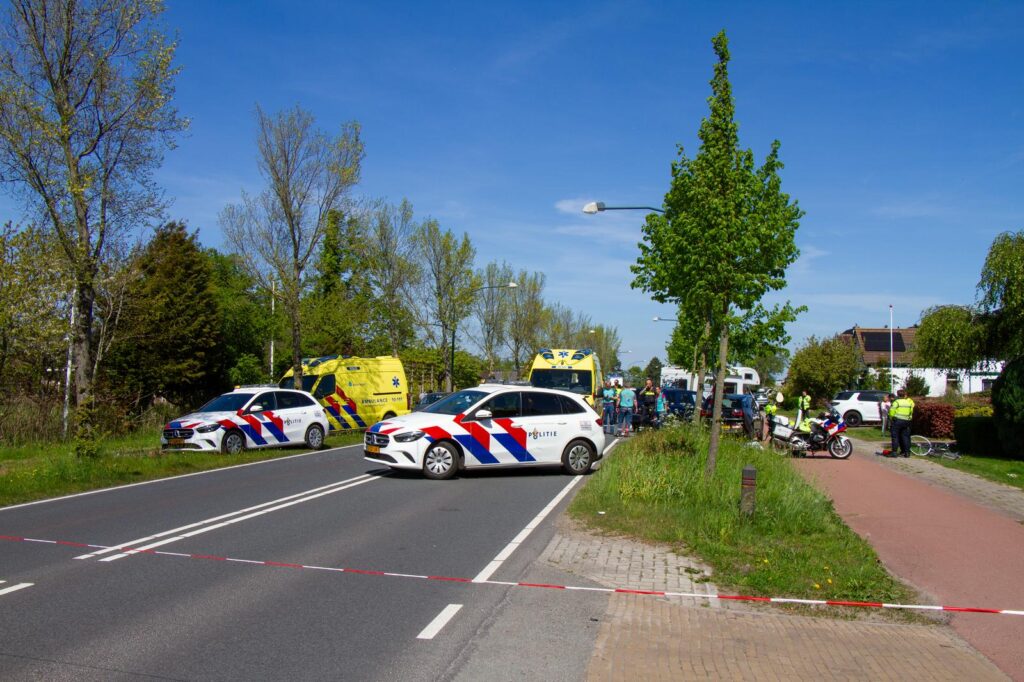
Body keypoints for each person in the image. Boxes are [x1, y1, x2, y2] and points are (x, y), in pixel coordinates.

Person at [890, 389, 915, 457]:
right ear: (904, 395)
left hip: (897, 421)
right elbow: (911, 412)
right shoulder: (909, 403)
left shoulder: (896, 402)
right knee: (905, 437)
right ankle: (907, 453)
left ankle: (894, 452)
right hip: (907, 421)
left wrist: (892, 417)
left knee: (895, 437)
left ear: (898, 395)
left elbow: (892, 411)